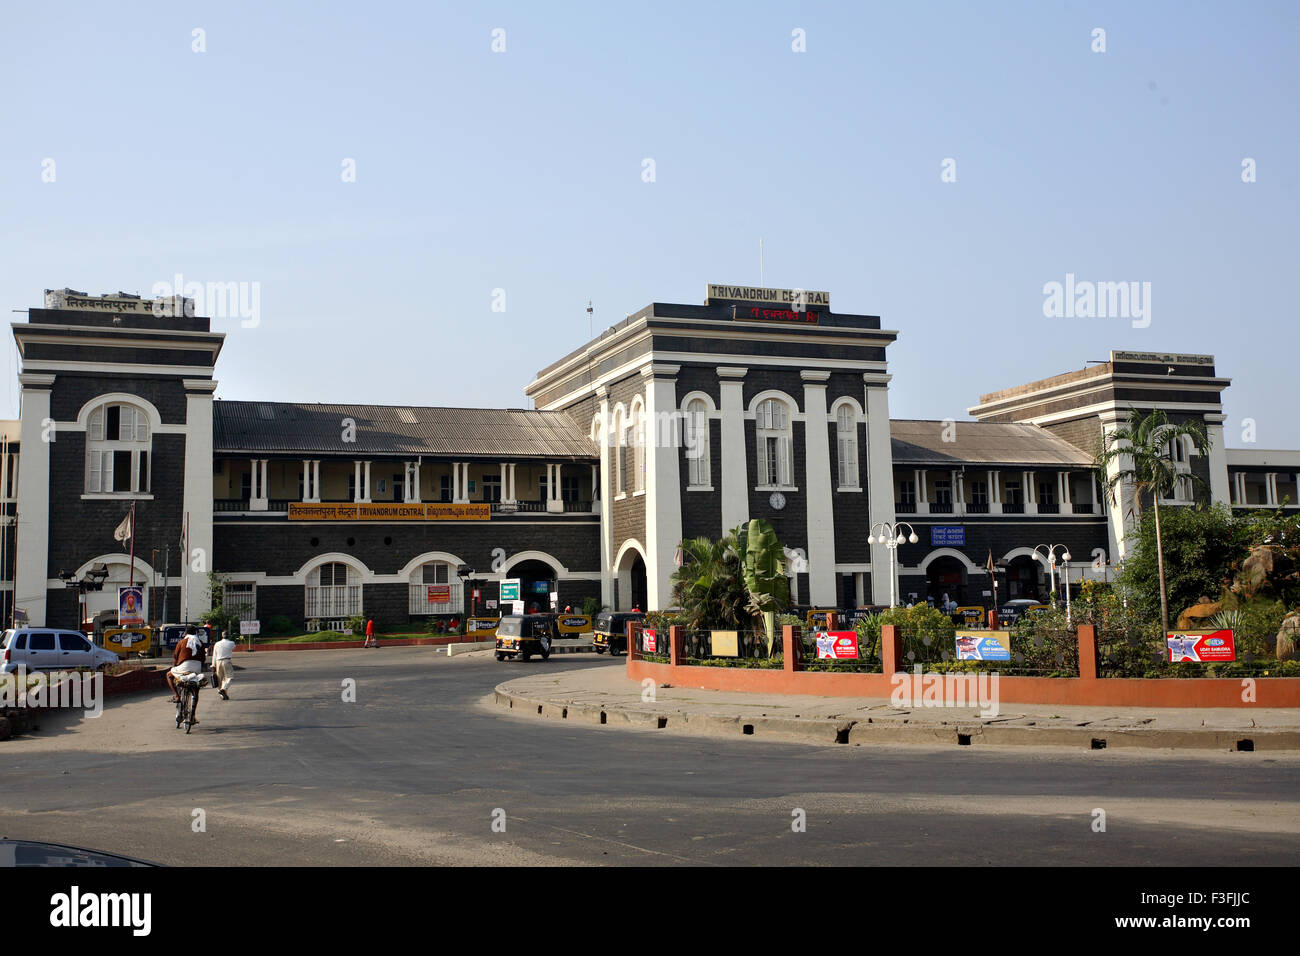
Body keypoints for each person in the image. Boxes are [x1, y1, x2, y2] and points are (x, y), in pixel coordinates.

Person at [166, 627, 207, 723]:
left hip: (184, 667)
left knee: (168, 675)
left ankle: (176, 695)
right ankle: (192, 716)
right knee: (195, 690)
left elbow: (176, 657)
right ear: (196, 633)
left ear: (185, 634)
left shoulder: (182, 642)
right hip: (197, 667)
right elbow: (203, 658)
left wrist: (175, 666)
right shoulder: (200, 642)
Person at [211, 629, 236, 700]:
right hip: (227, 661)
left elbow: (214, 655)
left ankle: (222, 694)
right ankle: (223, 689)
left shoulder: (217, 643)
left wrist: (213, 665)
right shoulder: (231, 643)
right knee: (230, 677)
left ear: (222, 636)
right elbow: (233, 647)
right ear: (229, 636)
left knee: (219, 679)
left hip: (218, 662)